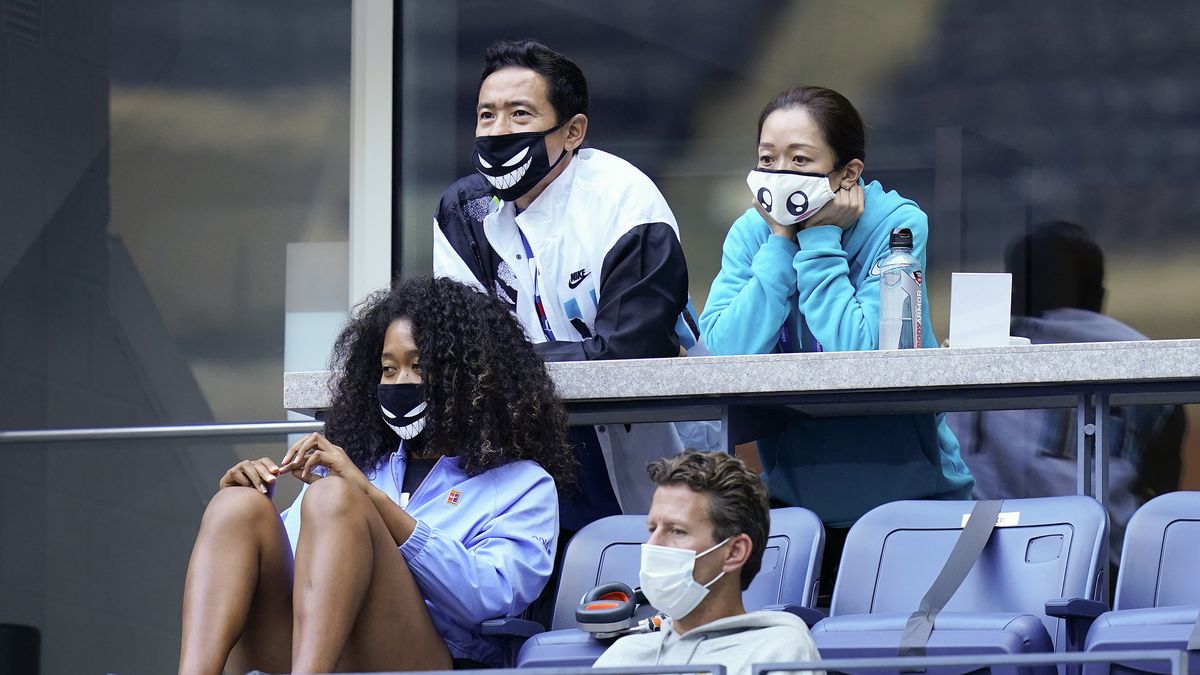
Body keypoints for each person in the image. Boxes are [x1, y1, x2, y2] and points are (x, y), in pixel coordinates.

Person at [177, 277, 574, 673]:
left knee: (336, 498)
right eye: (388, 369)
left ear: (470, 378)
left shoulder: (523, 483)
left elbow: (486, 597)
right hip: (324, 645)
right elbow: (300, 569)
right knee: (237, 507)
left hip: (429, 658)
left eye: (418, 367)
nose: (401, 382)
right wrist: (256, 498)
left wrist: (374, 502)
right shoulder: (365, 467)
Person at [698, 85, 974, 597]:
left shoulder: (898, 225)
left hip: (914, 503)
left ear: (849, 173)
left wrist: (821, 240)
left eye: (799, 160)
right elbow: (723, 351)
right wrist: (782, 240)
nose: (780, 174)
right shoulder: (751, 233)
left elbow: (868, 355)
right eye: (767, 159)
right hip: (796, 515)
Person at [433, 39, 703, 531]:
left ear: (573, 131)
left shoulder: (626, 202)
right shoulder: (462, 211)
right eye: (486, 115)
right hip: (526, 445)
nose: (499, 131)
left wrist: (504, 363)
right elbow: (456, 354)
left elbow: (626, 357)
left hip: (652, 451)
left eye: (520, 114)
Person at [947, 220, 1182, 564]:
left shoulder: (963, 356)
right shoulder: (1144, 361)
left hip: (984, 556)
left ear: (1011, 294)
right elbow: (1162, 495)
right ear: (1100, 297)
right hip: (1101, 562)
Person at [593, 451, 820, 674]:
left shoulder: (779, 650)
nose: (653, 545)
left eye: (677, 531)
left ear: (734, 552)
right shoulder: (621, 656)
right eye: (652, 529)